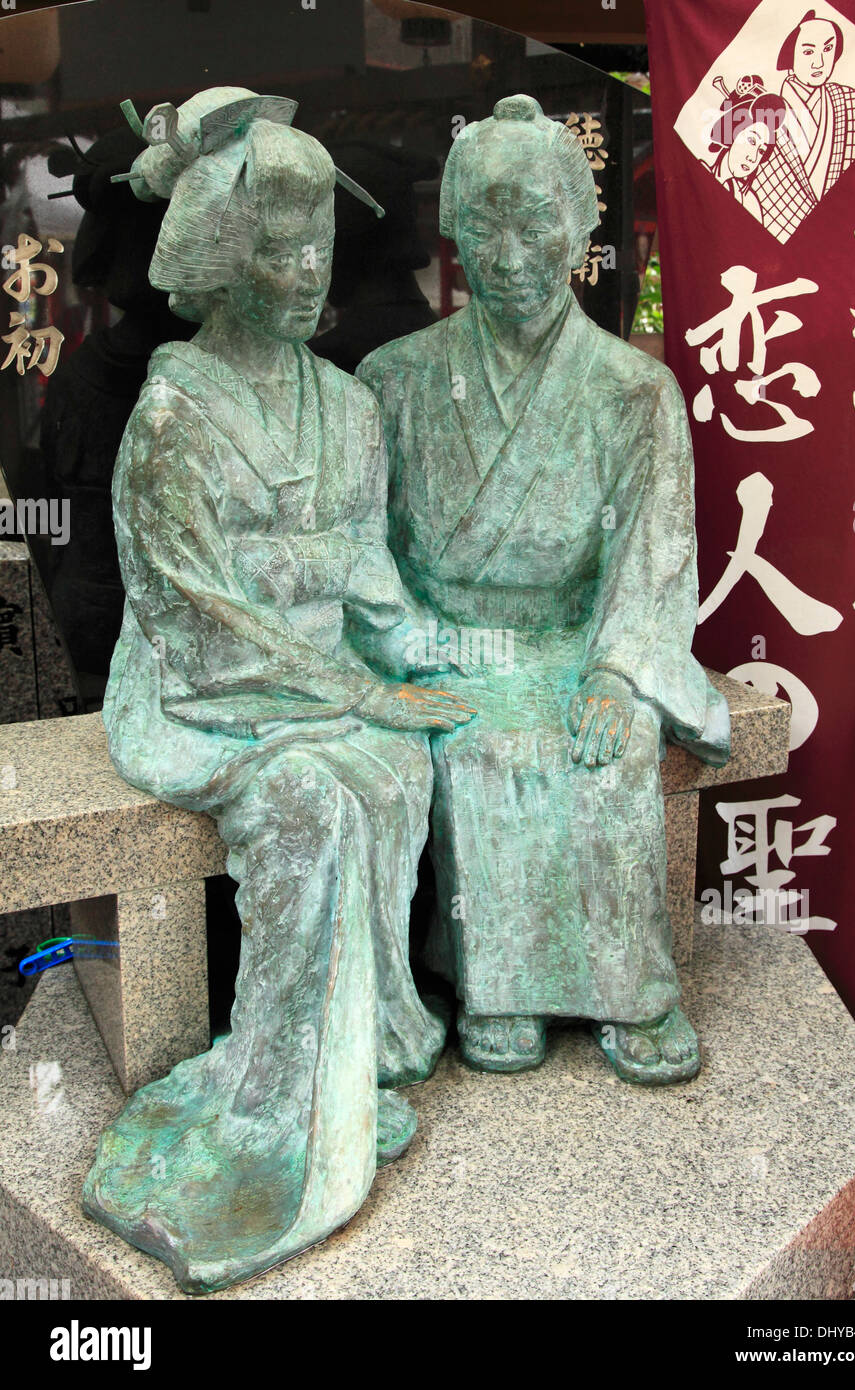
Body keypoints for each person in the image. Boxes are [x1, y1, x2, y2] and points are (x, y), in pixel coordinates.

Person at [82, 86, 474, 1294]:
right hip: (206, 688)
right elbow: (188, 611)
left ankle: (352, 1053)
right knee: (310, 796)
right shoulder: (170, 417)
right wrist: (344, 694)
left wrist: (426, 653)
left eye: (318, 246)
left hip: (321, 674)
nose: (308, 272)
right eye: (277, 247)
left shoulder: (347, 407)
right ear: (218, 255)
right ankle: (270, 1098)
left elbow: (370, 580)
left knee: (398, 763)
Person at [357, 95, 729, 1086]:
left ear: (575, 231)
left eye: (533, 224)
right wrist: (408, 641)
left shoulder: (629, 389)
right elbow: (361, 551)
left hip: (578, 634)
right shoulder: (395, 379)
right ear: (449, 230)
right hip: (451, 636)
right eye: (482, 223)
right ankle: (499, 989)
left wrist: (615, 671)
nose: (509, 251)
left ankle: (628, 993)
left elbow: (654, 555)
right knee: (478, 742)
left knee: (604, 741)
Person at [752, 11, 855, 241]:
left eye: (828, 49)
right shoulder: (762, 111)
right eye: (808, 51)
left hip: (844, 235)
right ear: (789, 56)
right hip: (777, 244)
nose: (819, 62)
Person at [705, 76, 787, 224]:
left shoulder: (751, 203)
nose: (753, 158)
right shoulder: (698, 173)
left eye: (761, 151)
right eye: (751, 141)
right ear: (732, 133)